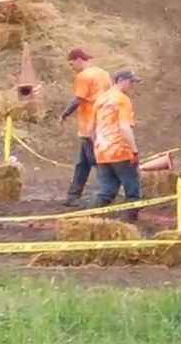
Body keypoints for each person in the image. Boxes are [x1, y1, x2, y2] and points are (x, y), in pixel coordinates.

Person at [60, 48, 112, 207]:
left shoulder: (83, 76)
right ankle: (73, 195)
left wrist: (65, 113)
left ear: (78, 59)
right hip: (103, 123)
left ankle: (105, 194)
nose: (72, 68)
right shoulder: (104, 74)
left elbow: (78, 99)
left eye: (71, 64)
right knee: (83, 164)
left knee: (97, 161)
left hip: (89, 126)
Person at [89, 70, 143, 222]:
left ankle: (88, 218)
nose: (132, 86)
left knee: (106, 191)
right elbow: (124, 127)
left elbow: (91, 130)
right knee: (132, 191)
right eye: (131, 83)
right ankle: (129, 223)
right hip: (120, 150)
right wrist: (134, 151)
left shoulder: (100, 100)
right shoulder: (122, 100)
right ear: (122, 81)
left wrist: (97, 147)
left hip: (102, 151)